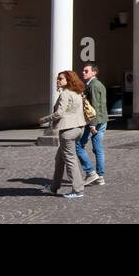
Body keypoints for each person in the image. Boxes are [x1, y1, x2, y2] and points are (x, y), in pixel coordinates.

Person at [42, 70, 87, 199]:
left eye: (61, 79)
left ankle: (78, 190)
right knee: (60, 159)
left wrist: (44, 120)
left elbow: (59, 113)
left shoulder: (66, 94)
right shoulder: (77, 92)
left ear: (68, 80)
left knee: (70, 160)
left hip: (68, 130)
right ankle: (54, 187)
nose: (58, 80)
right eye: (58, 78)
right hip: (79, 128)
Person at [77, 63, 108, 187]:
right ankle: (100, 177)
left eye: (86, 71)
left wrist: (92, 125)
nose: (83, 72)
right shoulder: (97, 84)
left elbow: (94, 106)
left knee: (78, 146)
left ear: (94, 72)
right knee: (98, 149)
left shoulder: (93, 86)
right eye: (83, 70)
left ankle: (91, 172)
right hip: (102, 120)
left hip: (94, 122)